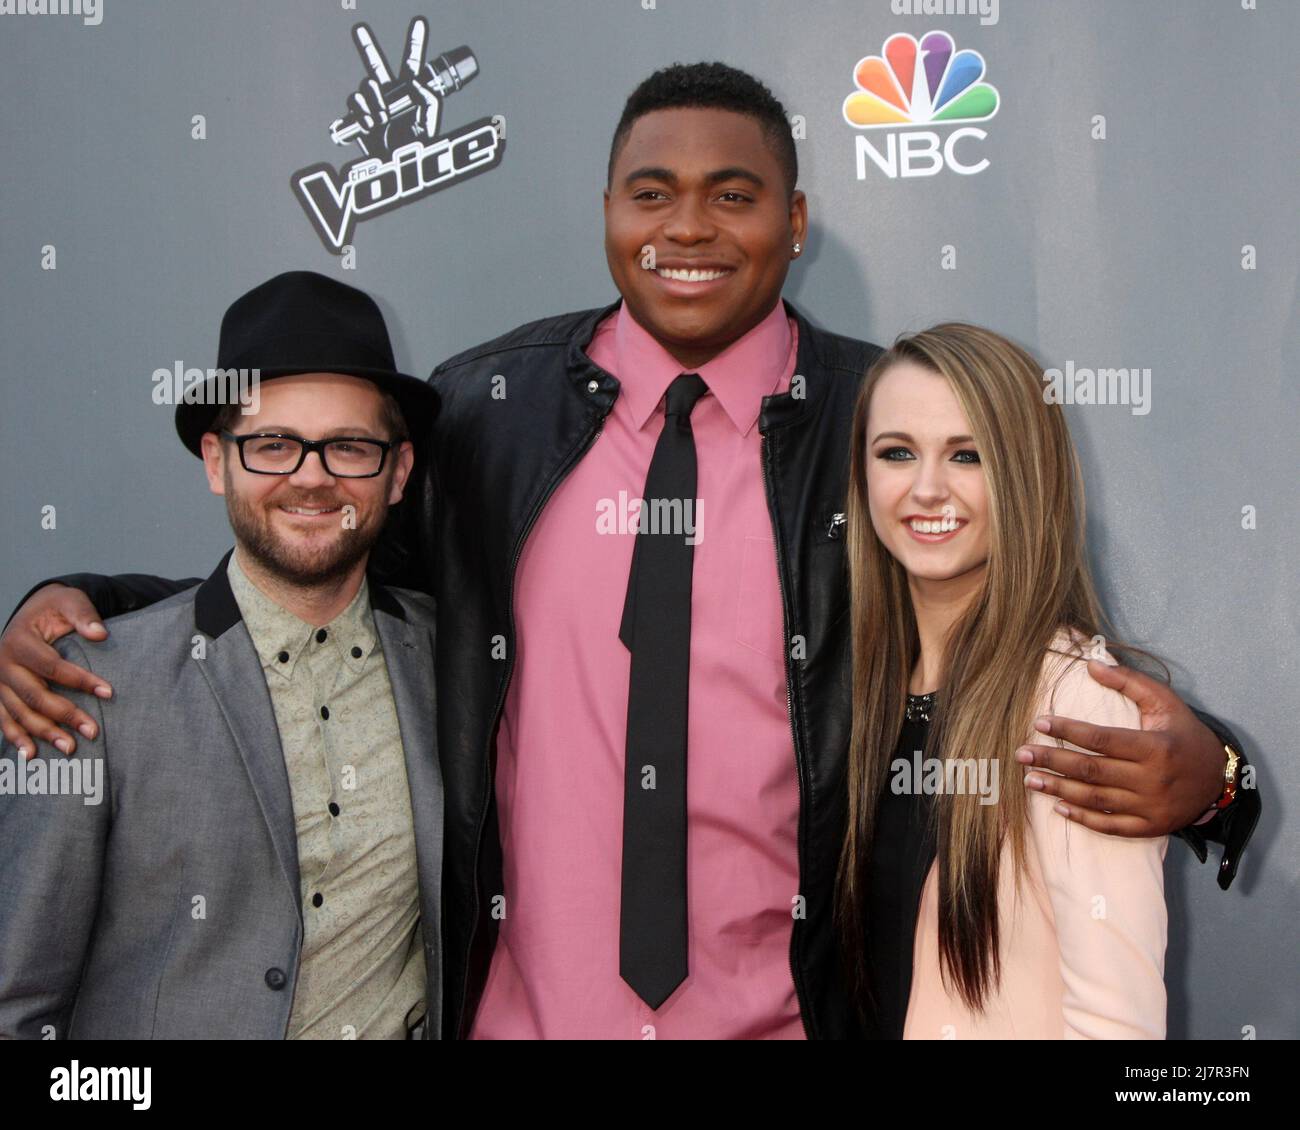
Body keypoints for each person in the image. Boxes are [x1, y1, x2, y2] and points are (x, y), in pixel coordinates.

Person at [0, 64, 1258, 1040]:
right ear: (607, 213)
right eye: (651, 192)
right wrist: (88, 600)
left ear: (796, 220)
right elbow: (324, 572)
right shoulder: (488, 412)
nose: (687, 226)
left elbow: (1026, 640)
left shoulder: (878, 421)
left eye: (733, 194)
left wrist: (1217, 781)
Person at [0, 272, 444, 1039]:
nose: (312, 476)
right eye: (273, 445)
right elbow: (16, 1002)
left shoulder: (449, 659)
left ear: (397, 472)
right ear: (217, 461)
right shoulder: (87, 683)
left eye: (348, 446)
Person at [839, 323, 1180, 1039]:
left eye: (967, 455)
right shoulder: (859, 694)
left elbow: (1117, 1026)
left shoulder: (1078, 703)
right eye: (896, 452)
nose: (926, 489)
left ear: (1024, 474)